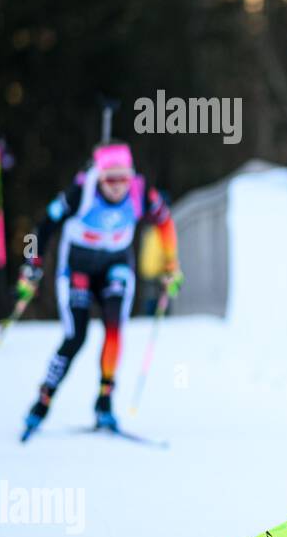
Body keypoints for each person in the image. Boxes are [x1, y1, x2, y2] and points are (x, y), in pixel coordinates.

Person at [20, 142, 182, 438]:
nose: (118, 187)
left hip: (115, 266)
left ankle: (104, 402)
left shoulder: (140, 192)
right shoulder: (80, 192)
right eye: (111, 179)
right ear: (99, 176)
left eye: (124, 178)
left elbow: (165, 222)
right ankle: (43, 399)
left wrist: (172, 264)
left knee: (114, 328)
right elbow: (41, 227)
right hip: (78, 270)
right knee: (76, 336)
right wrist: (32, 263)